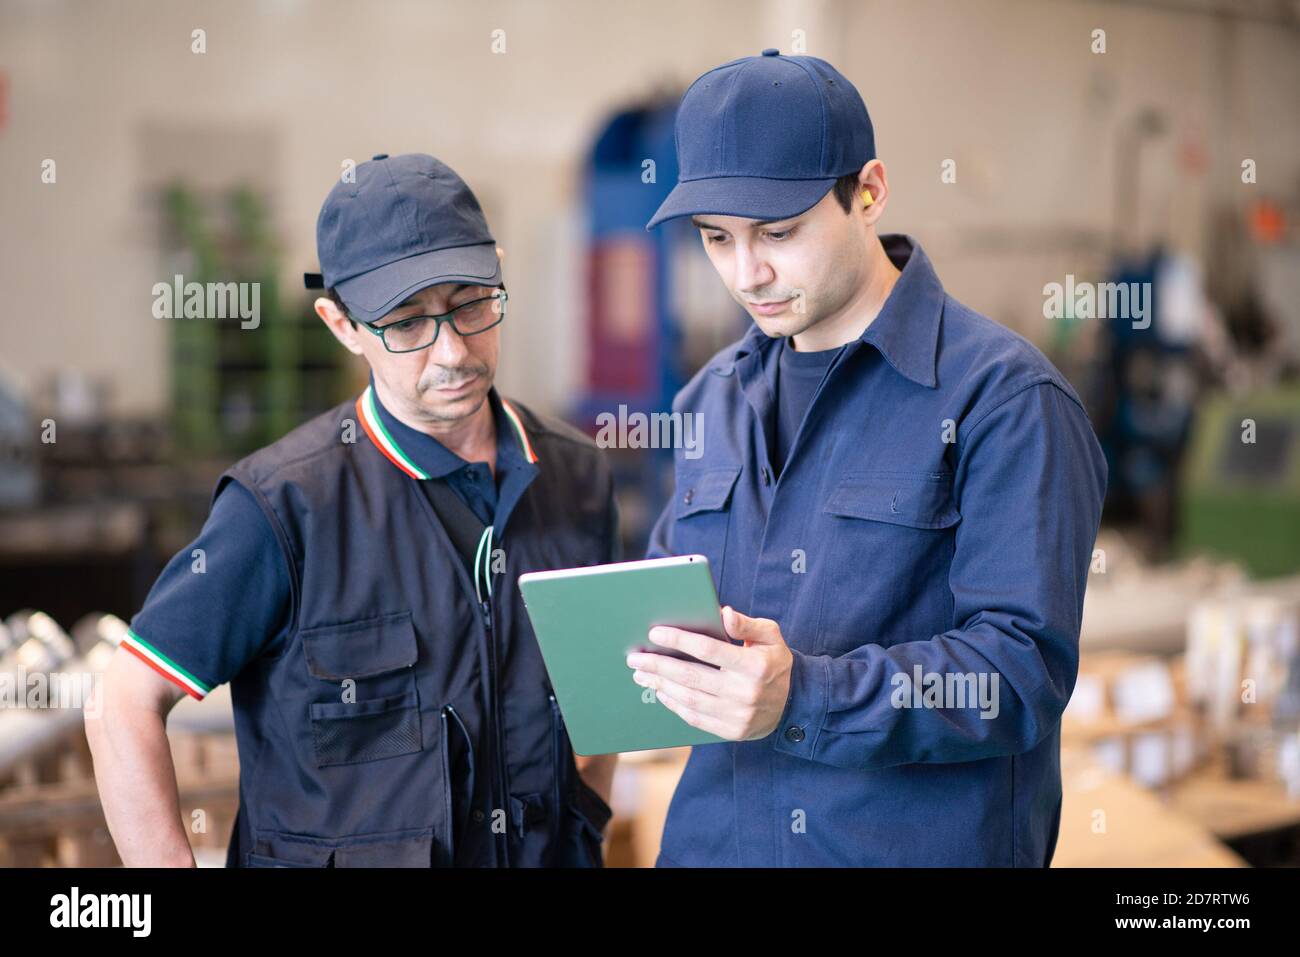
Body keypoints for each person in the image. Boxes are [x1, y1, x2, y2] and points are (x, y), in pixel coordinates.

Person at [631, 50, 1107, 866]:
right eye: (717, 239)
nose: (747, 273)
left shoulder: (1004, 401)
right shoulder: (708, 400)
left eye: (778, 232)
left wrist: (803, 694)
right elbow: (675, 618)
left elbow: (1019, 674)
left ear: (870, 192)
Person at [87, 153, 618, 867]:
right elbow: (123, 700)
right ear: (341, 324)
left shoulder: (575, 476)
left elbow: (605, 692)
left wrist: (586, 819)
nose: (453, 351)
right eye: (406, 323)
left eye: (470, 302)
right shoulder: (282, 507)